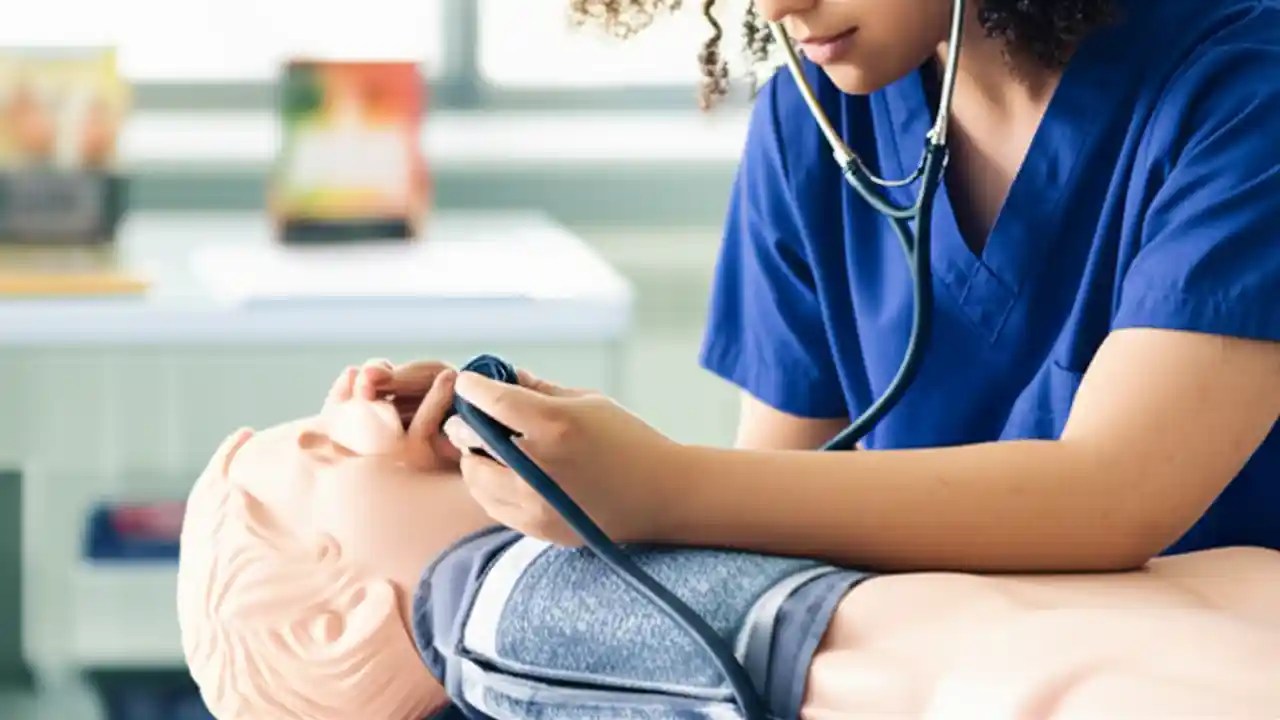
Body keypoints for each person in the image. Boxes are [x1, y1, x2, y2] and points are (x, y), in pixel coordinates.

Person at [370, 0, 1280, 574]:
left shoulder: (1244, 88)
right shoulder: (810, 124)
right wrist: (569, 465)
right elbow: (776, 502)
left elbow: (1110, 499)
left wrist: (659, 485)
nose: (779, 6)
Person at [176, 366, 1280, 719]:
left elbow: (751, 516)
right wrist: (651, 490)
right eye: (323, 447)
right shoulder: (498, 617)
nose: (358, 392)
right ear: (343, 615)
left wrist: (649, 484)